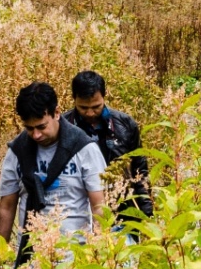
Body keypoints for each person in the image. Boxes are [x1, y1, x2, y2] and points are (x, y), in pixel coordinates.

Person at [0, 81, 105, 266]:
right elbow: (6, 208)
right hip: (30, 261)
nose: (36, 135)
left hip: (73, 260)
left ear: (56, 113)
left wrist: (99, 257)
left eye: (42, 126)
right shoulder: (17, 151)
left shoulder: (84, 149)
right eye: (29, 128)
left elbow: (99, 206)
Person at [65, 70, 152, 220]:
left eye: (96, 107)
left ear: (105, 96)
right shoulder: (62, 127)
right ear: (74, 99)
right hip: (80, 213)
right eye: (83, 108)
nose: (90, 113)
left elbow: (140, 171)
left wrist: (147, 214)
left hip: (123, 210)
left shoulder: (125, 125)